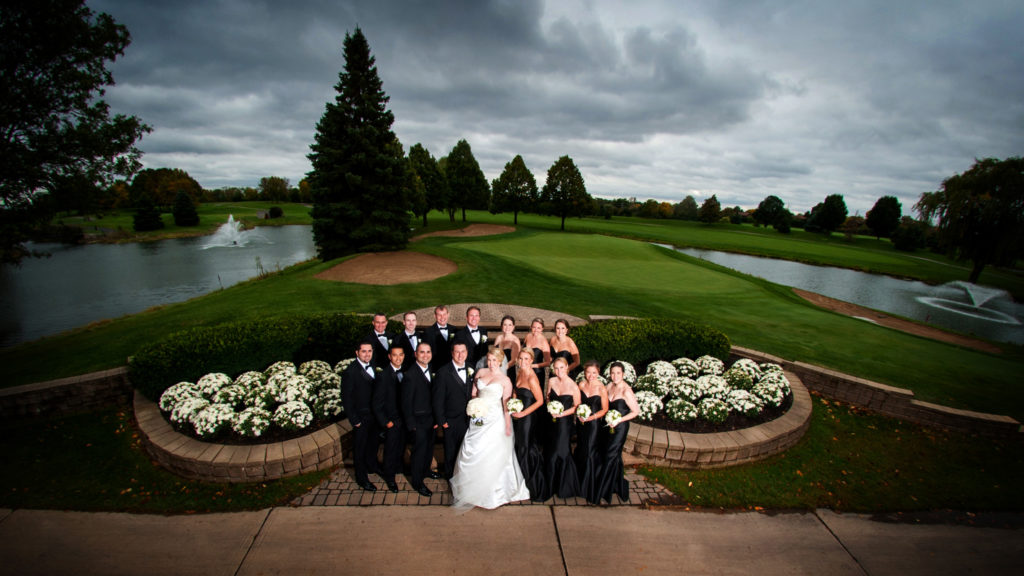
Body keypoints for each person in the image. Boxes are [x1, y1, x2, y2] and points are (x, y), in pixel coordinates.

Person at [449, 347, 530, 510]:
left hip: (495, 420)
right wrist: (475, 406)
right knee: (474, 449)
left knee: (492, 453)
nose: (492, 363)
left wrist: (507, 426)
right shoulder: (480, 373)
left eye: (495, 360)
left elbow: (506, 406)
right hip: (479, 417)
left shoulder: (505, 381)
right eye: (490, 360)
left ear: (500, 362)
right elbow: (474, 393)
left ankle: (493, 492)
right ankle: (470, 488)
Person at [596, 361, 641, 504]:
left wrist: (619, 420)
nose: (615, 376)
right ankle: (616, 484)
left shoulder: (626, 391)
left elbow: (635, 412)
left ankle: (603, 490)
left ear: (623, 374)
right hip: (607, 427)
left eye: (618, 373)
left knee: (611, 455)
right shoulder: (609, 386)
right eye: (612, 373)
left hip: (619, 428)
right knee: (608, 455)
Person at [341, 341, 382, 491]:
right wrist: (354, 420)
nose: (367, 354)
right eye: (363, 351)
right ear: (357, 353)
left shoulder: (372, 365)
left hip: (374, 416)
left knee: (373, 444)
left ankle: (372, 466)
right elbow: (347, 398)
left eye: (369, 351)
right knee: (360, 449)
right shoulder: (350, 372)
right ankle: (361, 478)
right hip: (361, 418)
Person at [401, 342, 439, 497]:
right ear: (416, 354)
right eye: (422, 352)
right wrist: (411, 424)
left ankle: (426, 471)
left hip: (431, 419)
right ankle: (417, 482)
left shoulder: (431, 369)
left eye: (428, 352)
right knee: (419, 452)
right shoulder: (410, 375)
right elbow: (406, 402)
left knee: (429, 449)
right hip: (418, 422)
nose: (425, 355)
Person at [542, 356, 580, 500]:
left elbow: (577, 407)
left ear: (567, 368)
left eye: (561, 368)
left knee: (561, 451)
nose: (559, 371)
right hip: (551, 421)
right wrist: (550, 406)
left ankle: (564, 486)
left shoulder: (573, 386)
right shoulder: (551, 381)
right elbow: (548, 397)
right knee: (550, 450)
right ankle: (550, 483)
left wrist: (562, 413)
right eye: (556, 368)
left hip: (564, 423)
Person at [432, 341, 471, 479]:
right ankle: (450, 477)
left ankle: (462, 476)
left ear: (467, 353)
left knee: (464, 450)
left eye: (463, 351)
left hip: (467, 419)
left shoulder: (471, 369)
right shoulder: (443, 372)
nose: (460, 355)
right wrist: (442, 420)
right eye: (457, 352)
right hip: (451, 420)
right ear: (452, 353)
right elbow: (438, 399)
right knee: (450, 451)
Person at [511, 347, 546, 500]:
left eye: (526, 359)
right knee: (519, 446)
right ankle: (519, 480)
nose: (523, 362)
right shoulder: (520, 373)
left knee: (525, 447)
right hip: (518, 416)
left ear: (531, 360)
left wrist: (522, 413)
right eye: (521, 358)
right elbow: (516, 390)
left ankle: (530, 483)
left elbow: (540, 401)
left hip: (528, 418)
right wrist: (512, 403)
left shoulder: (532, 378)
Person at [372, 344, 406, 493]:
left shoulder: (406, 372)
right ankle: (390, 478)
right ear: (389, 357)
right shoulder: (383, 376)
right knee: (390, 450)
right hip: (392, 421)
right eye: (395, 355)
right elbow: (376, 403)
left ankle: (398, 469)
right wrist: (386, 422)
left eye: (400, 355)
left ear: (404, 356)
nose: (398, 358)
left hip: (404, 419)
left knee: (401, 447)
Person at [574, 361, 609, 504]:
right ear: (584, 372)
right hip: (581, 422)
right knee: (581, 448)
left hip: (594, 424)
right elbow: (576, 403)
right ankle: (578, 482)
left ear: (598, 373)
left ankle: (588, 486)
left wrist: (591, 417)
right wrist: (579, 414)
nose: (591, 375)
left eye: (594, 372)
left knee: (590, 451)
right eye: (588, 372)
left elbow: (604, 409)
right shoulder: (581, 384)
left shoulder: (601, 388)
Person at [423, 305, 456, 370]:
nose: (442, 317)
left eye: (444, 314)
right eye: (439, 315)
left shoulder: (454, 330)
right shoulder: (428, 332)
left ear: (448, 314)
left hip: (452, 368)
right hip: (436, 368)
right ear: (435, 316)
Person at [492, 315, 521, 379]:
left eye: (510, 325)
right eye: (505, 324)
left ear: (513, 327)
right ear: (502, 326)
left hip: (508, 371)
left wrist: (502, 369)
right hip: (496, 370)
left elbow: (514, 360)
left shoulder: (515, 340)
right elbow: (493, 354)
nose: (507, 327)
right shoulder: (498, 338)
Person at [524, 317, 551, 384]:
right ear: (531, 327)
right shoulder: (528, 336)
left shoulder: (543, 342)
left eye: (538, 328)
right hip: (525, 370)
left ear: (542, 329)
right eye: (534, 327)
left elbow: (548, 362)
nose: (536, 330)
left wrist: (532, 366)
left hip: (537, 372)